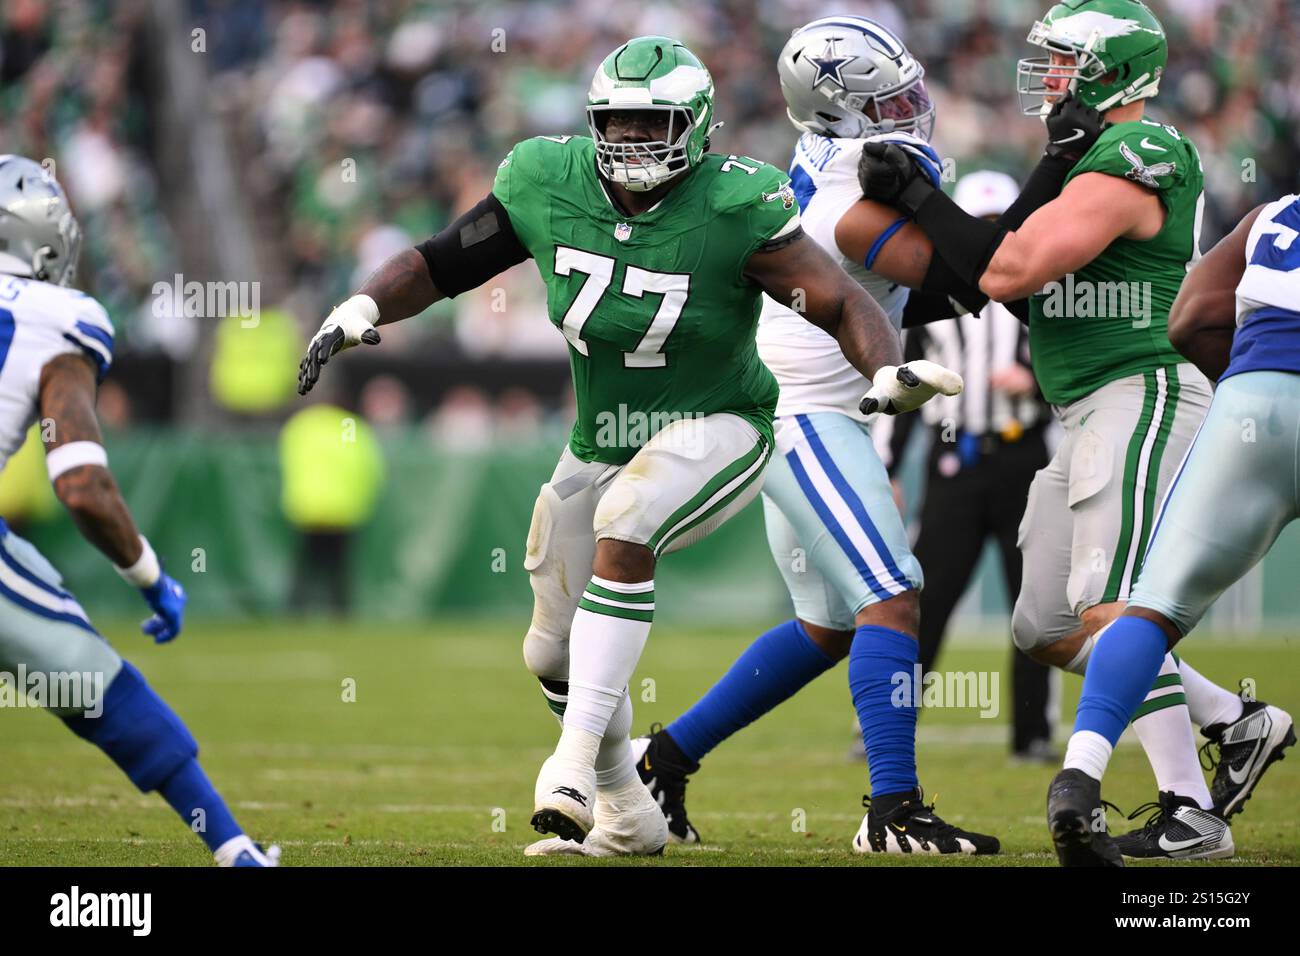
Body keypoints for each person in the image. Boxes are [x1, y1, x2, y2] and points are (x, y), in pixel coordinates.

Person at [295, 36, 962, 857]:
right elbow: (442, 263)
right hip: (604, 437)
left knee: (632, 518)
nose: (635, 142)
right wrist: (362, 305)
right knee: (549, 645)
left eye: (655, 125)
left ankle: (572, 766)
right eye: (619, 124)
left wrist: (887, 368)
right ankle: (629, 808)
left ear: (697, 126)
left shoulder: (734, 202)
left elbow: (839, 302)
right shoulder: (546, 179)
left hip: (724, 421)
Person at [628, 16, 1103, 855]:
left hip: (801, 405)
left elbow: (936, 289)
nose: (913, 110)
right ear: (839, 111)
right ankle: (893, 811)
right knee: (893, 595)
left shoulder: (829, 157)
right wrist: (1056, 164)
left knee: (833, 624)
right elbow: (981, 279)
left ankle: (660, 762)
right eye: (893, 100)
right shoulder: (851, 201)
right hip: (804, 415)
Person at [858, 0, 1289, 860]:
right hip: (1082, 409)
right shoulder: (1084, 158)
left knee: (1112, 604)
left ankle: (1189, 810)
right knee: (1048, 625)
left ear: (1108, 71)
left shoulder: (1142, 151)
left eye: (1062, 61)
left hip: (1139, 392)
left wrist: (922, 200)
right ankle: (1233, 721)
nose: (1046, 76)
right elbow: (994, 259)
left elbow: (1009, 269)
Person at [0, 155, 278, 867]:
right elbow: (82, 483)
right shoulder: (58, 318)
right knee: (95, 680)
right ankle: (235, 851)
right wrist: (151, 576)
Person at [1047, 195, 1300, 866]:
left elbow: (1189, 319)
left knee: (1150, 609)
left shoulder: (1276, 213)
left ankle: (1078, 778)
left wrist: (1256, 393)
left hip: (1256, 398)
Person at [900, 171, 1058, 762]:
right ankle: (889, 728)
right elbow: (903, 388)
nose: (990, 237)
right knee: (926, 598)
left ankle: (1033, 732)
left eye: (999, 226)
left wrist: (1034, 383)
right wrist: (889, 465)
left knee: (1033, 602)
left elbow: (1076, 363)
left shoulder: (1042, 290)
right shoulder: (930, 298)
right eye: (980, 226)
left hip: (1023, 458)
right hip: (954, 461)